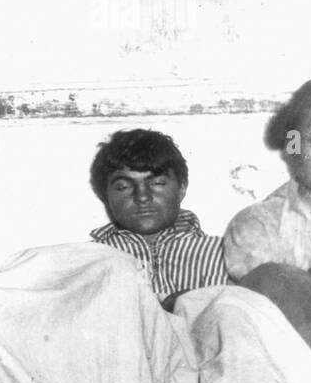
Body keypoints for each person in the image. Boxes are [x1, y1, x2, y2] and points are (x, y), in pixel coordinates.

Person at [224, 73, 311, 360]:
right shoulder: (256, 224)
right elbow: (283, 306)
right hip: (288, 368)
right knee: (277, 279)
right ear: (292, 147)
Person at [87, 128, 228, 308]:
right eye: (123, 187)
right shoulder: (89, 261)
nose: (142, 196)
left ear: (182, 187)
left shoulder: (225, 255)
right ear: (105, 196)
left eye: (157, 183)